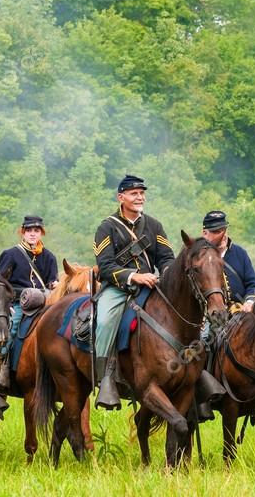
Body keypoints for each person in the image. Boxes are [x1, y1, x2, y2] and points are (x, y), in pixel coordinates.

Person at [92, 175, 175, 409]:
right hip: (119, 288)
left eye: (141, 193)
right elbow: (106, 266)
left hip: (152, 285)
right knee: (106, 320)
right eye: (134, 193)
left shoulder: (154, 225)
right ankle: (105, 378)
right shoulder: (106, 227)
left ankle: (193, 372)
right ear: (121, 197)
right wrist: (134, 276)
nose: (140, 197)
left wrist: (167, 274)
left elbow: (167, 258)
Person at [0, 215, 59, 345]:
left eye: (36, 231)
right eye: (29, 230)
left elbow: (52, 280)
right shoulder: (10, 254)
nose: (32, 234)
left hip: (44, 301)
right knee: (11, 329)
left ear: (41, 233)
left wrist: (55, 284)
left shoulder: (49, 257)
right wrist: (6, 305)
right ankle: (0, 358)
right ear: (23, 233)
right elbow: (0, 284)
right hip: (19, 303)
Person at [200, 210, 255, 310]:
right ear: (205, 233)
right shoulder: (198, 257)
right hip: (208, 316)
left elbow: (253, 284)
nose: (223, 236)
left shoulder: (240, 253)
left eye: (224, 230)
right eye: (216, 232)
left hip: (239, 315)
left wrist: (249, 302)